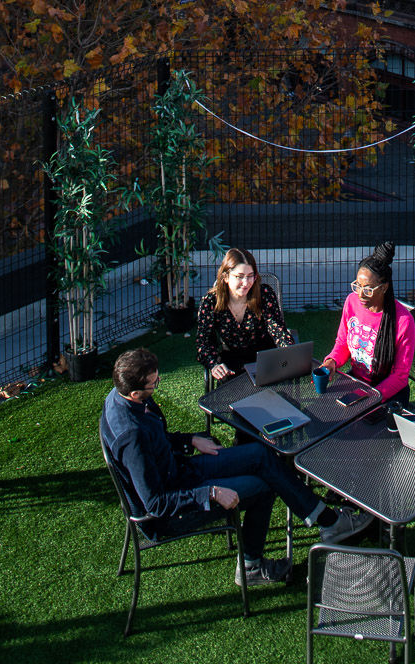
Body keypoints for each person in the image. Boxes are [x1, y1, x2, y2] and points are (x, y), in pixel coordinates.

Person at [100, 347, 369, 586]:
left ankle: (325, 519)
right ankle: (251, 566)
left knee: (260, 454)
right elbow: (155, 504)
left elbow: (155, 439)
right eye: (153, 384)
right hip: (172, 509)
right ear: (135, 393)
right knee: (263, 488)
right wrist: (211, 493)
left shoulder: (121, 395)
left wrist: (191, 440)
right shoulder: (130, 437)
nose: (157, 385)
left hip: (179, 470)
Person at [320, 241, 415, 402]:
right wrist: (332, 361)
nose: (361, 294)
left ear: (384, 288)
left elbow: (400, 377)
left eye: (368, 289)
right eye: (358, 286)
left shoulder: (403, 321)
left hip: (386, 392)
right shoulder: (351, 302)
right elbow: (343, 342)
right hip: (358, 382)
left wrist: (370, 397)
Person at [196, 247, 292, 382]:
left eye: (250, 276)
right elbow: (203, 341)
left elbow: (278, 330)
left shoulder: (264, 294)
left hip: (265, 359)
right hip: (232, 362)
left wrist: (288, 353)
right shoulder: (210, 302)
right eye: (239, 277)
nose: (246, 283)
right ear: (226, 277)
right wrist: (214, 365)